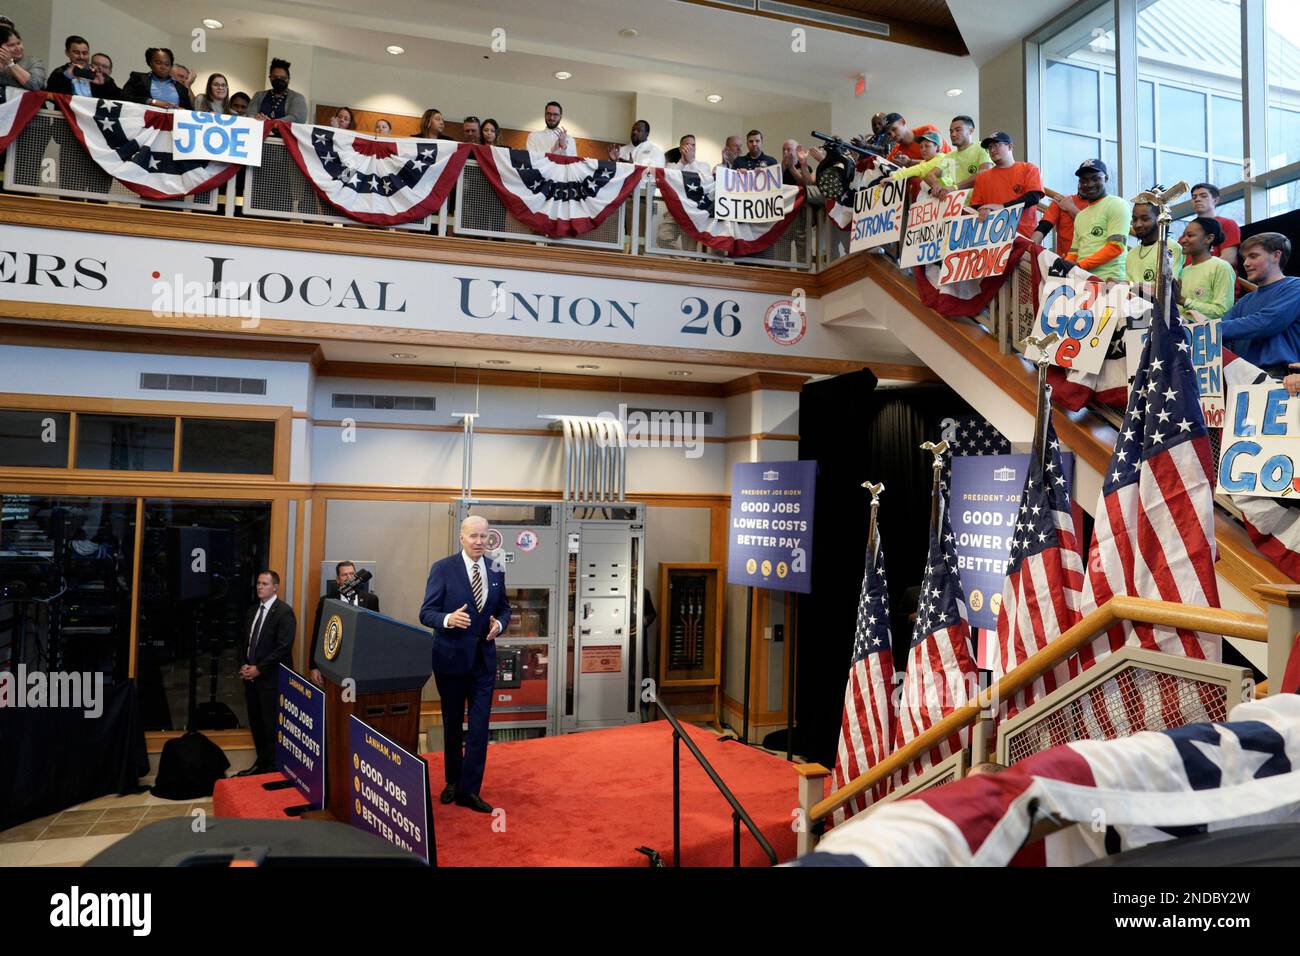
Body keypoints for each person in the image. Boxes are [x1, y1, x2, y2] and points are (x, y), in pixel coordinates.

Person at [419, 515, 511, 813]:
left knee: (479, 727)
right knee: (453, 724)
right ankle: (452, 781)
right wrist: (448, 619)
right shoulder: (443, 568)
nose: (479, 542)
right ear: (461, 538)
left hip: (484, 662)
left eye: (484, 537)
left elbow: (505, 608)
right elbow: (426, 613)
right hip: (451, 660)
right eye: (473, 536)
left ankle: (470, 791)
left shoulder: (496, 567)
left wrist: (500, 624)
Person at [236, 570, 296, 776]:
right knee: (256, 722)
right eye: (258, 583)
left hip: (270, 680)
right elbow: (245, 641)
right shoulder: (253, 610)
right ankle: (261, 764)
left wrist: (259, 669)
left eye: (264, 584)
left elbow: (283, 647)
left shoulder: (284, 612)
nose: (259, 587)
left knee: (271, 725)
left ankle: (272, 766)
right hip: (250, 680)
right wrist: (244, 665)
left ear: (275, 587)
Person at [1222, 233, 1300, 380]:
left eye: (1253, 256)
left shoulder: (1295, 287)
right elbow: (1220, 330)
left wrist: (1209, 329)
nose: (1245, 263)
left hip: (1282, 380)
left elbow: (1266, 322)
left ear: (1276, 255)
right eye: (1245, 258)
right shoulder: (1245, 301)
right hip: (1244, 380)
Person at [309, 560, 380, 687]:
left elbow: (377, 633)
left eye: (352, 574)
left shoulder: (371, 600)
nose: (349, 578)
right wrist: (314, 667)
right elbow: (317, 635)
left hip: (362, 663)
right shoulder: (327, 601)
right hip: (334, 662)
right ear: (337, 579)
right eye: (344, 575)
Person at [967, 130, 1043, 237]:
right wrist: (986, 210)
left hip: (1023, 235)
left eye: (996, 145)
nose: (992, 150)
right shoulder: (982, 177)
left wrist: (1002, 207)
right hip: (993, 238)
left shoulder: (1029, 168)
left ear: (1010, 146)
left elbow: (1034, 197)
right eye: (989, 147)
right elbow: (976, 205)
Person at [1064, 159, 1129, 281]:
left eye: (1095, 179)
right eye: (1084, 180)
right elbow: (1074, 252)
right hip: (1082, 280)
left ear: (1106, 178)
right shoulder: (1080, 216)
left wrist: (1079, 266)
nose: (1089, 184)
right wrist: (1065, 266)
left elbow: (1116, 247)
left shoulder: (1117, 204)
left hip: (1109, 282)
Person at [1176, 217, 1234, 321]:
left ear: (1209, 238)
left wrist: (1184, 301)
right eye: (1184, 235)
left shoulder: (1221, 267)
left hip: (1209, 333)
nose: (1183, 240)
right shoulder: (1183, 272)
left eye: (1190, 235)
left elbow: (1222, 311)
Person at [1126, 200, 1184, 290]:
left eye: (1145, 219)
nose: (1137, 224)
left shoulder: (1170, 247)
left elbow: (1165, 289)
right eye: (1134, 219)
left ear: (1159, 219)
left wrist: (1127, 285)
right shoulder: (1132, 253)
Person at [46, 35, 117, 97]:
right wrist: (66, 78)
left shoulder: (98, 74)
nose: (81, 57)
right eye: (76, 53)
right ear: (67, 53)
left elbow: (117, 98)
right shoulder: (59, 73)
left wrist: (102, 85)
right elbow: (51, 95)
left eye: (85, 53)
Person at [1190, 182, 1242, 269]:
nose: (1197, 199)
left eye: (1203, 196)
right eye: (1194, 197)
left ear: (1215, 200)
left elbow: (1228, 259)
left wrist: (1199, 274)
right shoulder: (1188, 231)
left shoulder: (1227, 224)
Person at [122, 47, 191, 109]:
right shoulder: (138, 78)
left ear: (171, 66)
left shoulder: (182, 88)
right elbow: (124, 97)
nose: (163, 67)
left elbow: (189, 110)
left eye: (167, 64)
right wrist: (152, 102)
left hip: (171, 121)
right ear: (150, 63)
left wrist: (183, 110)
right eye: (158, 63)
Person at [889, 131, 957, 191]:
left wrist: (894, 177)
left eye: (927, 146)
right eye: (921, 147)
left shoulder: (942, 157)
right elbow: (920, 166)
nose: (923, 150)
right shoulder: (925, 162)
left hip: (950, 195)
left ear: (938, 148)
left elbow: (919, 169)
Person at [1032, 184, 1087, 258]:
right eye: (1083, 180)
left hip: (1094, 264)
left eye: (1093, 179)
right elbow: (1043, 227)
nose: (1087, 184)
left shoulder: (1104, 206)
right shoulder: (1061, 201)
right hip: (1065, 263)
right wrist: (1029, 249)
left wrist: (1071, 208)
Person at [881, 112, 950, 167]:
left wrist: (910, 162)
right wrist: (893, 165)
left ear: (903, 122)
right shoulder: (897, 152)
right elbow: (882, 165)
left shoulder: (927, 130)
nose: (892, 135)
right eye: (889, 134)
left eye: (894, 129)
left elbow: (941, 161)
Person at [249, 58, 306, 123]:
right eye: (275, 77)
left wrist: (270, 123)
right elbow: (249, 114)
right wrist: (256, 117)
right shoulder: (259, 95)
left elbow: (297, 118)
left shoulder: (297, 97)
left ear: (288, 79)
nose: (279, 80)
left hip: (283, 133)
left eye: (283, 78)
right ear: (270, 78)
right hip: (260, 132)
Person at [944, 115, 992, 193]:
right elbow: (932, 174)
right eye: (951, 131)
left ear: (970, 130)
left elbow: (984, 172)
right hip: (958, 202)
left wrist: (955, 187)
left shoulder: (982, 147)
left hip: (981, 201)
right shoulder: (949, 156)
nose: (953, 134)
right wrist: (935, 185)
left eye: (957, 130)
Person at [0, 25, 45, 91]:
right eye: (11, 45)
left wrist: (10, 63)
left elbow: (35, 85)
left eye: (19, 43)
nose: (18, 48)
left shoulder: (33, 62)